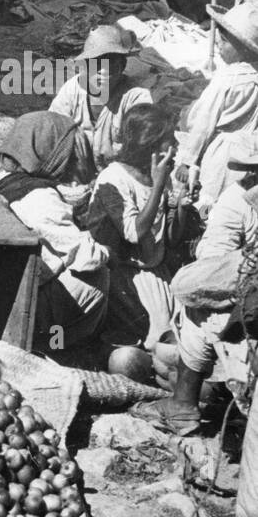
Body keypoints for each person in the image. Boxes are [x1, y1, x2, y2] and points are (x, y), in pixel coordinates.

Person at [135, 135, 258, 438]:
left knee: (198, 306)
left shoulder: (240, 199)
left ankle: (182, 404)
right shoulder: (239, 201)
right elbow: (216, 261)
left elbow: (208, 278)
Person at [0, 113, 108, 350]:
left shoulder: (1, 179)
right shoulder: (40, 197)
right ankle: (57, 346)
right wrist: (106, 249)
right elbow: (88, 258)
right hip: (12, 305)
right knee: (98, 277)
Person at [86, 103, 179, 351]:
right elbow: (134, 233)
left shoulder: (159, 173)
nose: (176, 144)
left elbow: (166, 236)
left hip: (156, 270)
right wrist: (159, 186)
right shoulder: (114, 177)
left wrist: (179, 208)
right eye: (170, 139)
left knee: (181, 335)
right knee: (158, 339)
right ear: (149, 142)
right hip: (124, 273)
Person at [175, 3, 258, 214]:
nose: (218, 43)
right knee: (236, 205)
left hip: (223, 154)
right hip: (250, 153)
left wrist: (187, 159)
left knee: (208, 202)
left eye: (224, 40)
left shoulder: (227, 79)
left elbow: (203, 123)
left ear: (242, 47)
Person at [48, 25, 153, 168]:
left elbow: (143, 149)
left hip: (119, 171)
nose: (104, 71)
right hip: (74, 167)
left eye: (111, 63)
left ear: (122, 66)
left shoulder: (136, 97)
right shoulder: (73, 88)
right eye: (97, 64)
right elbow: (51, 128)